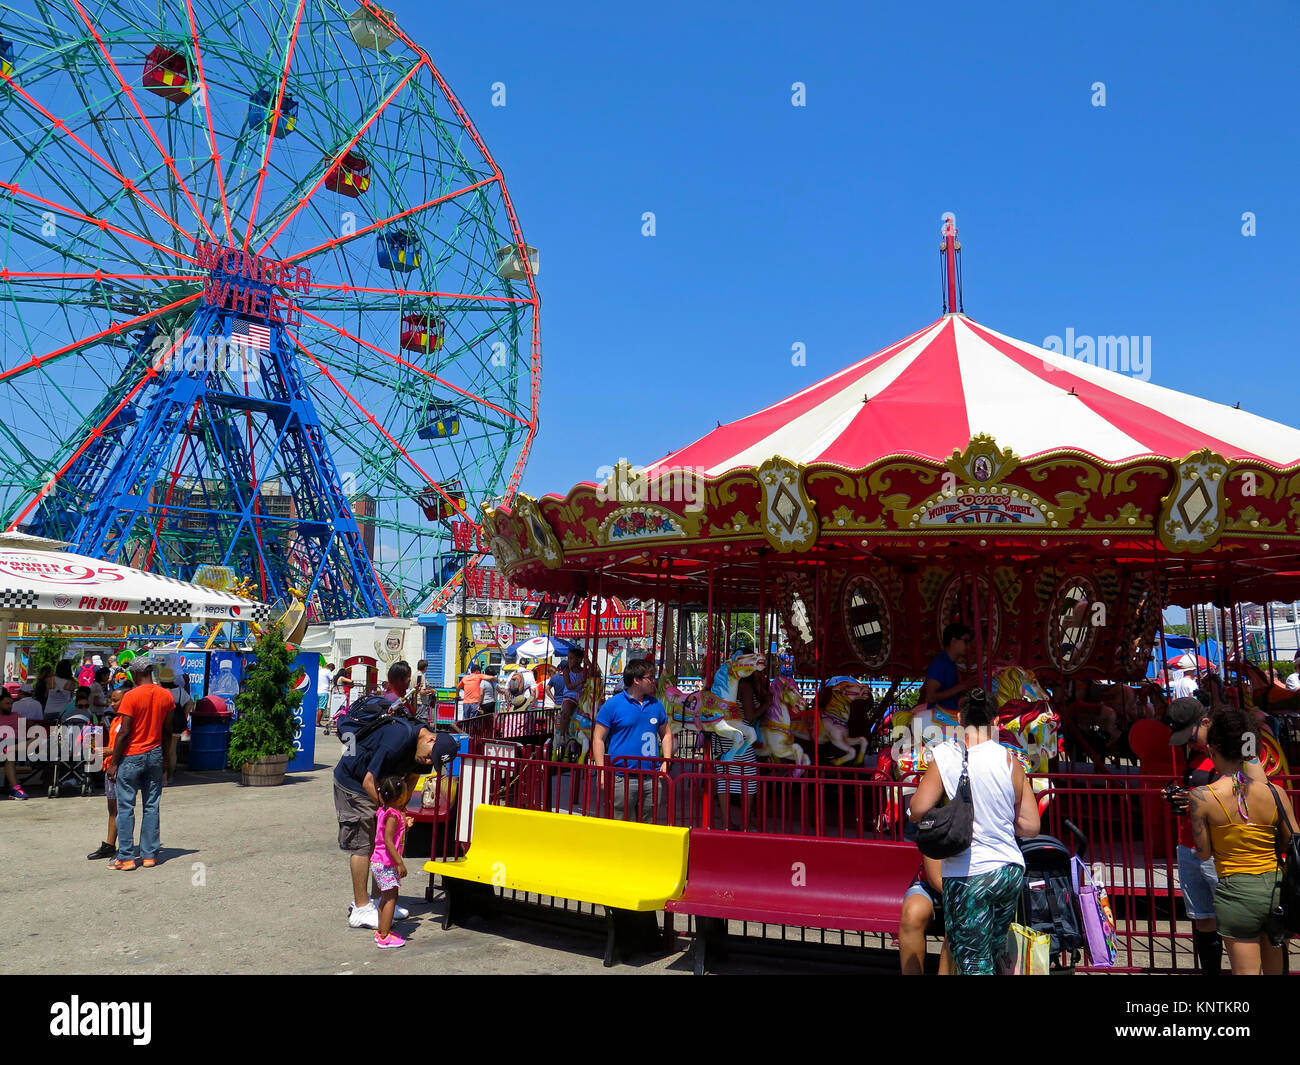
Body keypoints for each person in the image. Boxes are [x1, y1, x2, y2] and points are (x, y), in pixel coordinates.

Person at [908, 687, 1041, 975]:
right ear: (996, 722)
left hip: (970, 874)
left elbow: (917, 809)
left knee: (973, 965)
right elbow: (1031, 825)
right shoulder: (1011, 761)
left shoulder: (945, 755)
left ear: (959, 718)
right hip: (1008, 872)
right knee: (992, 956)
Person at [334, 674, 460, 929]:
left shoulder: (425, 752)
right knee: (363, 845)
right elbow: (369, 780)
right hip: (354, 782)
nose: (427, 762)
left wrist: (401, 809)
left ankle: (380, 901)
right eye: (429, 758)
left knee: (383, 842)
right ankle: (360, 908)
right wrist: (390, 811)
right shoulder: (398, 738)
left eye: (431, 763)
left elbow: (412, 776)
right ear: (429, 739)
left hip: (379, 787)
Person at [1190, 706, 1299, 975]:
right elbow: (1291, 841)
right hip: (1275, 889)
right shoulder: (1275, 793)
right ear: (1249, 748)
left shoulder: (1201, 797)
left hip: (1235, 893)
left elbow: (1203, 854)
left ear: (1213, 750)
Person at [1162, 697, 1224, 975]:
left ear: (1206, 722)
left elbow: (1243, 794)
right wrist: (1177, 795)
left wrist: (1196, 799)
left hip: (1219, 847)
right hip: (1189, 844)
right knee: (1202, 917)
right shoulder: (1197, 754)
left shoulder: (1231, 752)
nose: (1188, 743)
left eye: (1190, 736)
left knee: (1233, 919)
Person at [107, 658, 174, 870]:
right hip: (155, 754)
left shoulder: (131, 696)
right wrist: (164, 758)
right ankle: (149, 856)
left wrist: (114, 763)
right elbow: (167, 730)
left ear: (135, 674)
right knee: (151, 806)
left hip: (132, 755)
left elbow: (124, 732)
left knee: (126, 807)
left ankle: (126, 858)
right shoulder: (166, 695)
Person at [592, 659, 672, 823]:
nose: (654, 681)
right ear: (636, 680)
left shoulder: (656, 704)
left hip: (651, 775)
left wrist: (667, 760)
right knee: (622, 821)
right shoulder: (613, 705)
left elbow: (667, 734)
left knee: (650, 821)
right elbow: (598, 738)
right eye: (650, 677)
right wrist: (601, 771)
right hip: (622, 775)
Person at [371, 775, 412, 949]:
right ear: (400, 796)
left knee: (385, 897)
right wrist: (399, 863)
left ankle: (381, 930)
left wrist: (406, 826)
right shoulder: (393, 815)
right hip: (387, 863)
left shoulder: (384, 810)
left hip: (379, 861)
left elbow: (392, 835)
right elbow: (388, 840)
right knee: (391, 898)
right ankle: (385, 937)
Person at [87, 687, 127, 859]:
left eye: (116, 700)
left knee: (121, 809)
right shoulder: (117, 720)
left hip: (119, 767)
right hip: (110, 766)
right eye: (111, 699)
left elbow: (129, 744)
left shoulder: (127, 720)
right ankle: (110, 844)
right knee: (112, 809)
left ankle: (123, 848)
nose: (112, 703)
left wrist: (110, 752)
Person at [899, 855, 953, 975]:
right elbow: (935, 878)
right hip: (932, 885)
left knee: (960, 919)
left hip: (969, 888)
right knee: (912, 915)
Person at [921, 624, 976, 712]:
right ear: (953, 641)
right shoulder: (940, 663)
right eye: (965, 641)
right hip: (940, 719)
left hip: (948, 715)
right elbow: (931, 697)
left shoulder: (951, 664)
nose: (968, 646)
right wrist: (960, 687)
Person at [158, 664, 193, 786]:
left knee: (163, 750)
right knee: (172, 751)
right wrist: (183, 715)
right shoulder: (179, 690)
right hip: (176, 723)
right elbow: (189, 703)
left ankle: (163, 777)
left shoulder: (160, 691)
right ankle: (171, 776)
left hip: (162, 724)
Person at [554, 647, 591, 744]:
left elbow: (595, 674)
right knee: (567, 710)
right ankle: (561, 735)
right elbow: (569, 686)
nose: (568, 660)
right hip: (570, 696)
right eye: (568, 658)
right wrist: (580, 681)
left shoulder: (584, 671)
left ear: (579, 660)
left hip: (582, 696)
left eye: (571, 658)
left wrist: (589, 664)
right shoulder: (567, 671)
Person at [0, 688, 28, 799]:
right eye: (7, 703)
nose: (10, 706)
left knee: (38, 738)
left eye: (11, 703)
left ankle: (11, 748)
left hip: (20, 746)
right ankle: (15, 789)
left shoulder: (16, 715)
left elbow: (27, 728)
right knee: (9, 753)